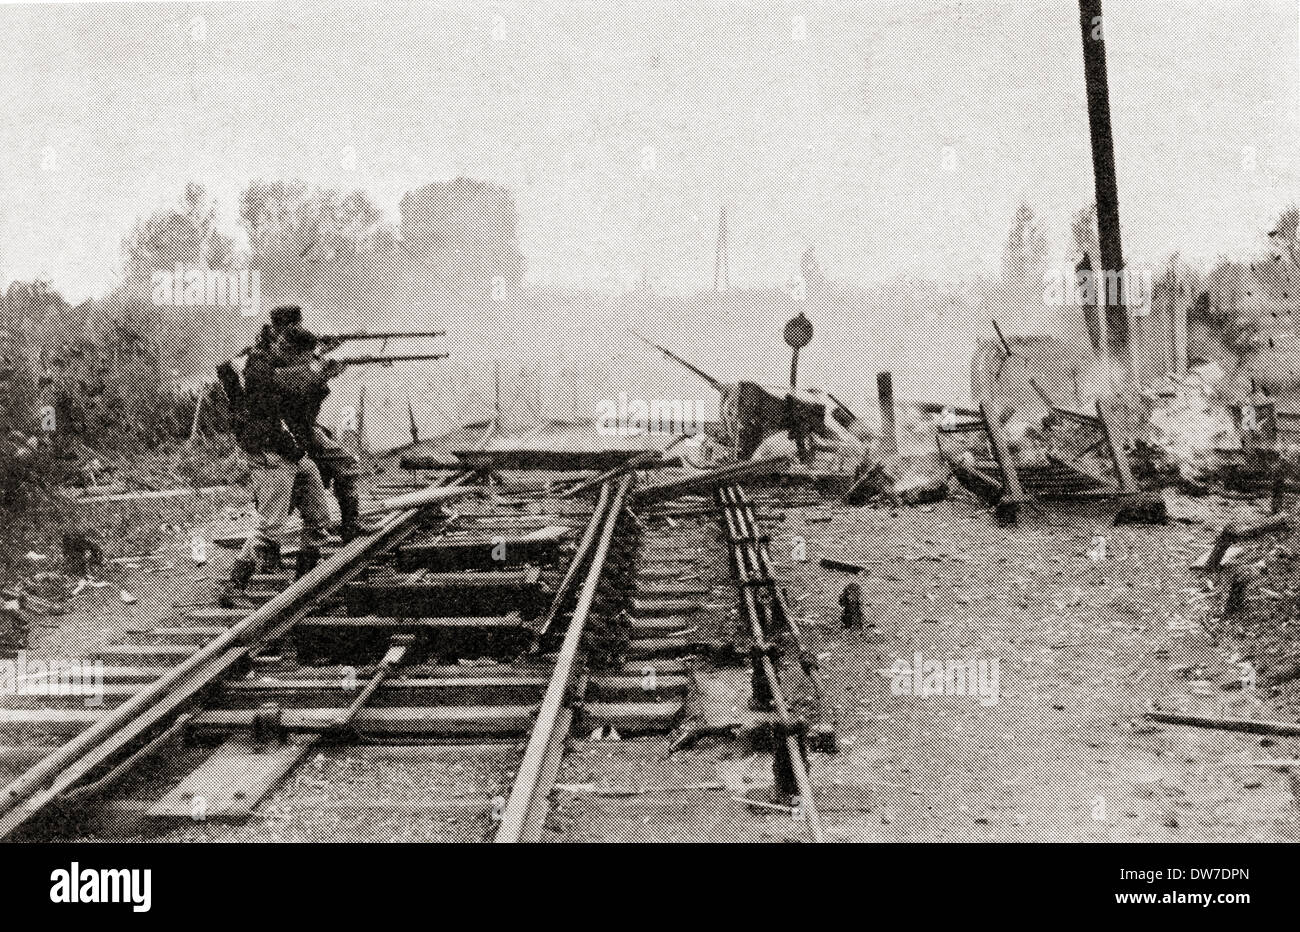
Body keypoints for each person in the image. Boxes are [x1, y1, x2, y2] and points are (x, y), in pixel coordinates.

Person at [217, 321, 335, 607]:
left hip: (286, 452)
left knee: (319, 519)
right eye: (304, 359)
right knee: (270, 527)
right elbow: (268, 422)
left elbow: (298, 411)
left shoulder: (266, 365)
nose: (307, 363)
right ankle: (234, 587)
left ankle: (305, 583)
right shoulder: (260, 372)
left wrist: (317, 383)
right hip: (271, 454)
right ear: (289, 352)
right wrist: (294, 451)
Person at [263, 305, 379, 542]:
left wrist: (321, 358)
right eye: (294, 325)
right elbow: (297, 387)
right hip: (286, 431)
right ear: (282, 327)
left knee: (338, 469)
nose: (299, 329)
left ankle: (349, 526)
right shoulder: (270, 355)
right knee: (285, 496)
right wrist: (321, 372)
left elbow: (305, 368)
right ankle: (347, 527)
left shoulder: (283, 347)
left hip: (299, 428)